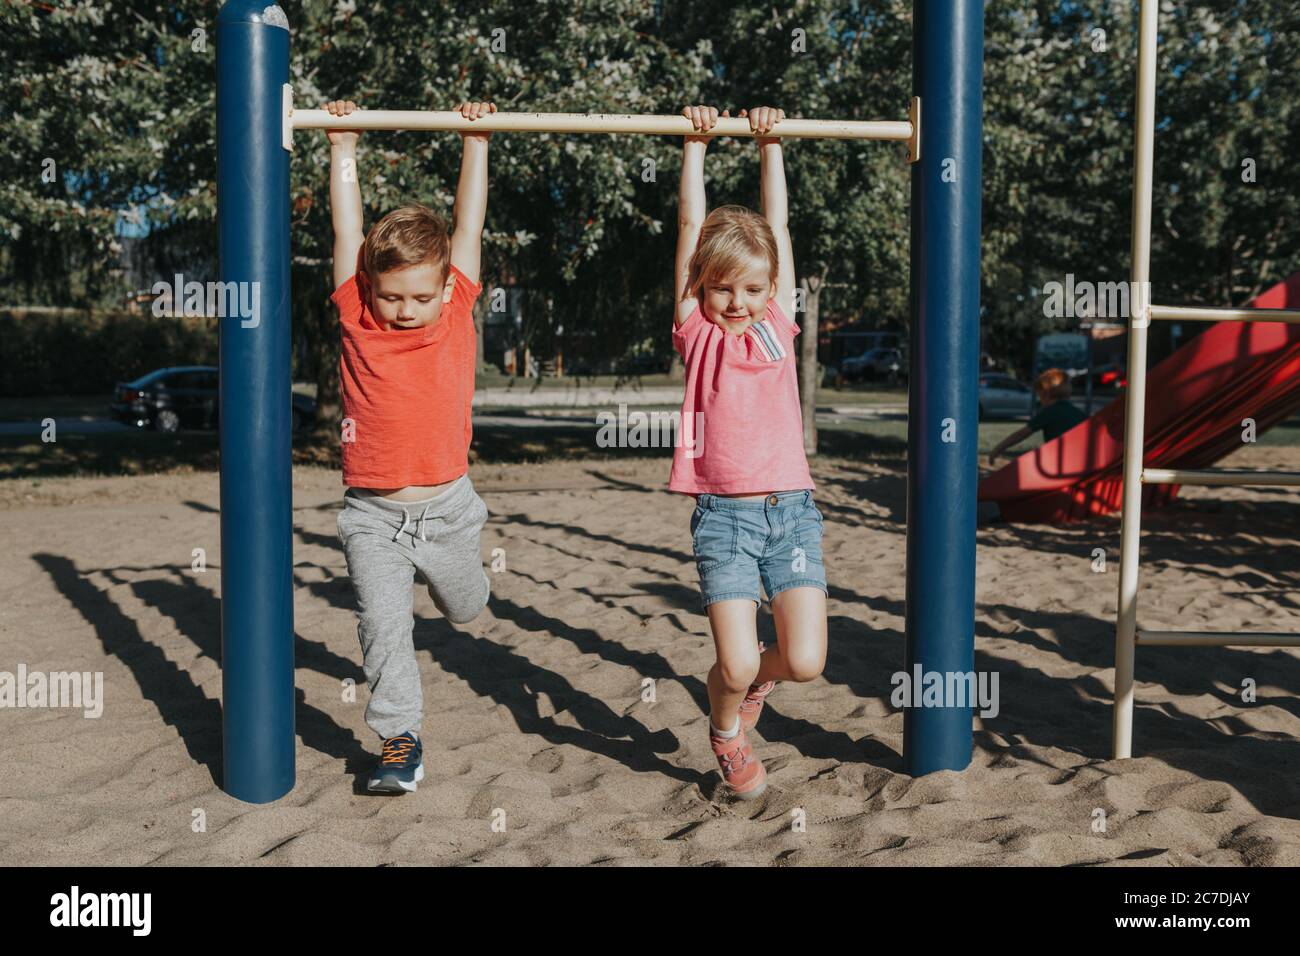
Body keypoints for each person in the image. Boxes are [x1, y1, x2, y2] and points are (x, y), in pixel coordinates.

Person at [325, 98, 496, 794]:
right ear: (371, 286)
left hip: (449, 509)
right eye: (392, 296)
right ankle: (400, 739)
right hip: (373, 516)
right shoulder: (357, 311)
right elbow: (347, 226)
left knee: (466, 609)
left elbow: (469, 222)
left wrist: (476, 140)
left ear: (444, 286)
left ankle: (466, 581)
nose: (404, 310)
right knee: (383, 628)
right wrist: (343, 145)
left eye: (418, 297)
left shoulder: (453, 305)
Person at [669, 104, 829, 800]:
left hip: (790, 512)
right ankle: (727, 732)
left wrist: (773, 146)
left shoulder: (777, 326)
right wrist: (694, 147)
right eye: (723, 287)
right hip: (724, 520)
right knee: (731, 666)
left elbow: (779, 228)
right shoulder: (697, 331)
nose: (738, 301)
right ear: (702, 285)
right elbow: (688, 228)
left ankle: (755, 684)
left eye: (753, 289)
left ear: (772, 291)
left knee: (805, 659)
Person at [988, 367, 1088, 466]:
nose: (1040, 400)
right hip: (1080, 462)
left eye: (1039, 396)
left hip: (1059, 464)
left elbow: (1022, 434)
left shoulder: (1050, 412)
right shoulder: (1079, 413)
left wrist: (998, 449)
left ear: (1046, 394)